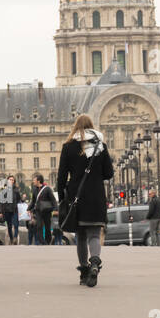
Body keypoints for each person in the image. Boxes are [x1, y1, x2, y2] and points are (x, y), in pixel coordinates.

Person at [56, 114, 114, 287]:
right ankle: (95, 262)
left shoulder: (68, 147)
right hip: (96, 195)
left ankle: (84, 271)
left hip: (76, 197)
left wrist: (62, 198)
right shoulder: (101, 146)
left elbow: (61, 176)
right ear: (91, 126)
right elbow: (109, 173)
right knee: (94, 234)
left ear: (76, 127)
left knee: (80, 235)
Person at [30, 174, 57, 246]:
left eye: (34, 180)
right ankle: (43, 242)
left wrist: (55, 209)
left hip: (47, 211)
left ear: (38, 181)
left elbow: (53, 199)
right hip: (38, 211)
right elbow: (33, 201)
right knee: (39, 226)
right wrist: (28, 209)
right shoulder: (34, 189)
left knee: (48, 227)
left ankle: (48, 241)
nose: (33, 181)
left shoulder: (47, 189)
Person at [0, 176, 22, 244]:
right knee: (9, 226)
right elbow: (1, 202)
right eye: (10, 179)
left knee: (16, 225)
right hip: (7, 211)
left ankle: (15, 237)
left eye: (12, 180)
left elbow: (19, 200)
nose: (11, 181)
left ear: (14, 182)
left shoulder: (16, 190)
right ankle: (11, 238)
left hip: (14, 210)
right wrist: (0, 212)